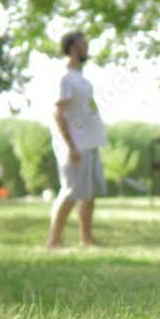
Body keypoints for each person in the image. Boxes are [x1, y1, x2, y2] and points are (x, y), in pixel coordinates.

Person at [46, 30, 107, 248]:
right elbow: (58, 113)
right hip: (74, 147)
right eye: (84, 44)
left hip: (89, 144)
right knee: (70, 192)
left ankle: (86, 238)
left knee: (88, 194)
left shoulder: (81, 78)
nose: (87, 48)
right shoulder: (64, 78)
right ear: (73, 48)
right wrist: (70, 146)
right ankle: (53, 240)